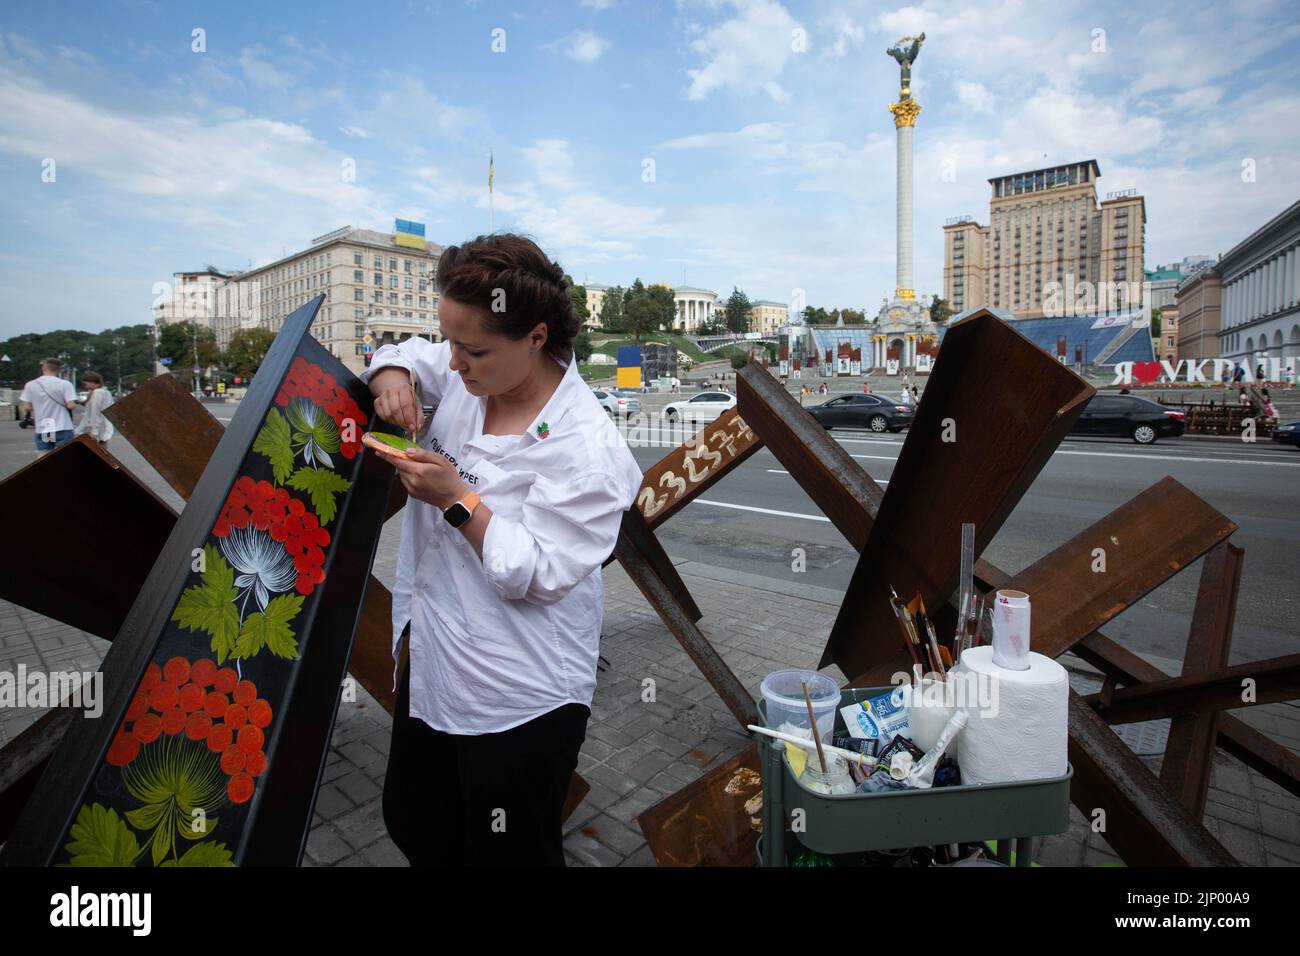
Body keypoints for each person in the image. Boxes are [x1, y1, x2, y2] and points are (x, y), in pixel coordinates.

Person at [361, 233, 642, 867]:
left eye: (473, 349)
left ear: (536, 337)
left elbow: (537, 574)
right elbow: (410, 354)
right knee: (414, 820)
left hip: (520, 692)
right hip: (433, 656)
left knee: (506, 850)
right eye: (450, 341)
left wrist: (457, 498)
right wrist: (393, 375)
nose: (455, 364)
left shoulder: (587, 450)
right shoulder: (469, 377)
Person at [18, 357, 77, 455]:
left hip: (44, 426)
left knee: (44, 456)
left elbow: (27, 407)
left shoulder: (30, 385)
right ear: (59, 370)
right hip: (62, 426)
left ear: (43, 369)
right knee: (66, 456)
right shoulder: (65, 384)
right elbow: (71, 405)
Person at [74, 371, 115, 445]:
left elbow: (95, 412)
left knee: (98, 450)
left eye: (86, 383)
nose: (85, 386)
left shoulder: (98, 392)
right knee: (102, 450)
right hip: (103, 425)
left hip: (98, 427)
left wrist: (94, 431)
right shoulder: (105, 392)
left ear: (94, 383)